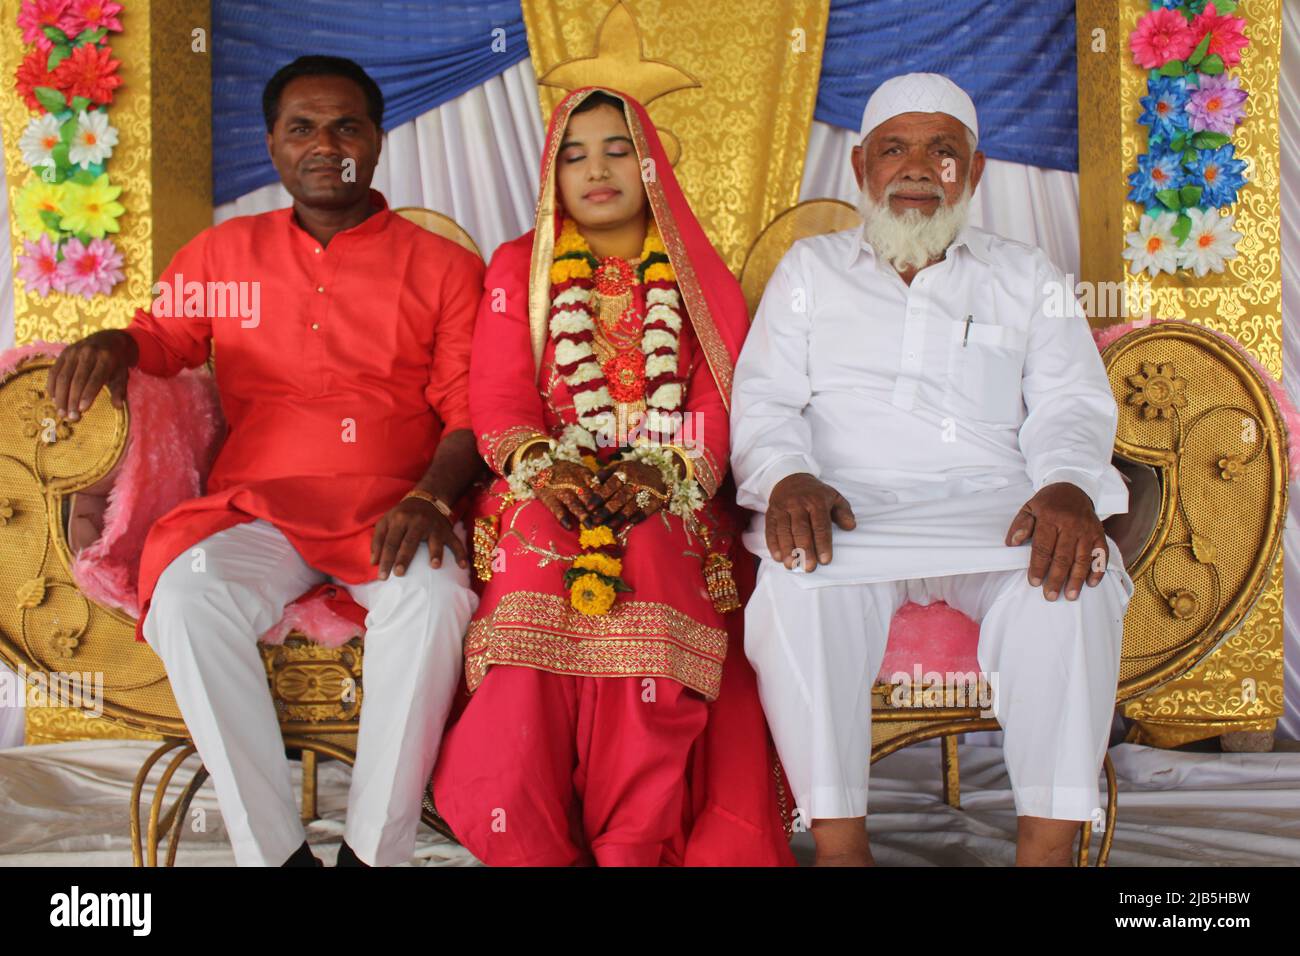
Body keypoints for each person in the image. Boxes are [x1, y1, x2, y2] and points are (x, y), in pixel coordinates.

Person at [45, 56, 484, 867]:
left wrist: (429, 498)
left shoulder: (447, 268)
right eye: (302, 127)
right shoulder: (222, 253)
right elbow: (165, 340)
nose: (326, 144)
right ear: (275, 145)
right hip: (259, 509)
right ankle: (274, 854)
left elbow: (470, 411)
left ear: (378, 141)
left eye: (347, 125)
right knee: (185, 598)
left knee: (432, 601)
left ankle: (371, 854)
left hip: (394, 509)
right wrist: (112, 341)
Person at [731, 73, 1133, 866]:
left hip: (996, 516)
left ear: (974, 174)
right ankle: (844, 851)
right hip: (849, 517)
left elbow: (1071, 405)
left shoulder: (1028, 277)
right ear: (861, 169)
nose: (918, 168)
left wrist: (1064, 484)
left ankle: (1046, 852)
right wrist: (787, 477)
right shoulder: (811, 272)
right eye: (895, 149)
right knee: (797, 587)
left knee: (1070, 588)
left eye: (942, 152)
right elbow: (765, 401)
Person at [430, 87, 794, 867]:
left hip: (673, 492)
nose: (596, 169)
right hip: (541, 483)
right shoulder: (515, 268)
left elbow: (719, 403)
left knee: (656, 549)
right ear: (550, 173)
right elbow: (496, 395)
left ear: (651, 164)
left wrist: (667, 475)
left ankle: (634, 840)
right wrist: (541, 463)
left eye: (617, 149)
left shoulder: (701, 277)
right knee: (538, 544)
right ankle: (526, 837)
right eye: (575, 153)